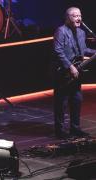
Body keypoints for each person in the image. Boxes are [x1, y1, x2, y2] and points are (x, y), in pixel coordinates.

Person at [53, 7, 96, 139]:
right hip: (63, 72)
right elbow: (58, 51)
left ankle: (75, 129)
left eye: (80, 16)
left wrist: (94, 52)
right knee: (62, 102)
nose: (79, 18)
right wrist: (70, 66)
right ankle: (60, 131)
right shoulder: (61, 31)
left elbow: (83, 50)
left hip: (77, 73)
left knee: (77, 100)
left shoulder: (82, 33)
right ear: (67, 18)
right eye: (75, 16)